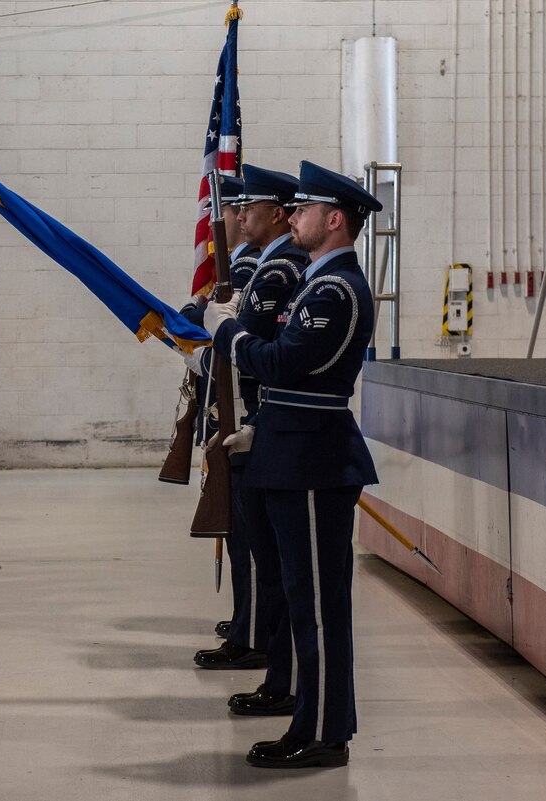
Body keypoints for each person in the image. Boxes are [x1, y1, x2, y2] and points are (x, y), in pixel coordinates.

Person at [205, 160, 381, 769]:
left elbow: (279, 365)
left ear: (334, 220)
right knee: (305, 599)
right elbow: (286, 373)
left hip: (313, 459)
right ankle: (313, 718)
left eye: (304, 209)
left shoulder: (335, 291)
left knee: (318, 606)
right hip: (293, 445)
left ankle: (325, 731)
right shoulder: (318, 283)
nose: (293, 217)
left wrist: (228, 334)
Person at [193, 165, 308, 676]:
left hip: (255, 416)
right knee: (243, 537)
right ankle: (247, 625)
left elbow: (252, 340)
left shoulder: (279, 269)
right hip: (247, 415)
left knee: (254, 542)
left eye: (249, 207)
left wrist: (219, 332)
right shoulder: (270, 263)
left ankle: (255, 634)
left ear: (276, 214)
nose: (238, 215)